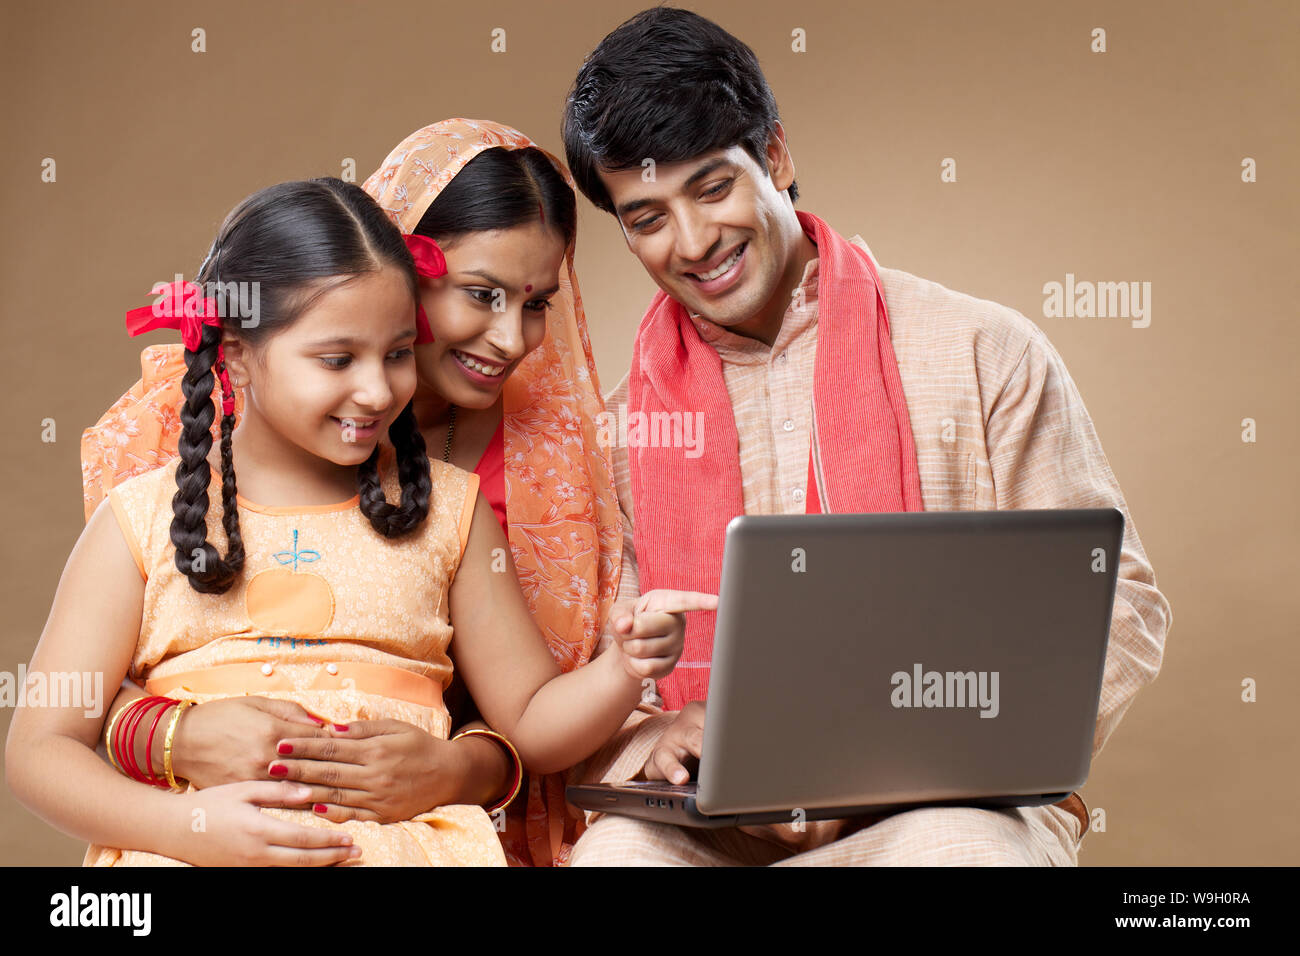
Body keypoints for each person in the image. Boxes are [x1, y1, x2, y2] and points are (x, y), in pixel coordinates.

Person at [560, 7, 1173, 865]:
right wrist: (655, 734)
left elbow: (1119, 602)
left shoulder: (980, 351)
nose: (693, 243)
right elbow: (598, 667)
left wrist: (945, 732)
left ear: (776, 156)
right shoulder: (621, 430)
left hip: (944, 800)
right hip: (715, 825)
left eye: (712, 188)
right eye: (647, 217)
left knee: (958, 851)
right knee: (614, 857)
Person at [5, 176, 713, 866]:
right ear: (236, 355)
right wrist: (185, 828)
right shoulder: (139, 519)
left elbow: (529, 721)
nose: (377, 390)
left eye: (398, 353)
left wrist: (624, 668)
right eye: (338, 359)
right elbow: (39, 750)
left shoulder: (449, 513)